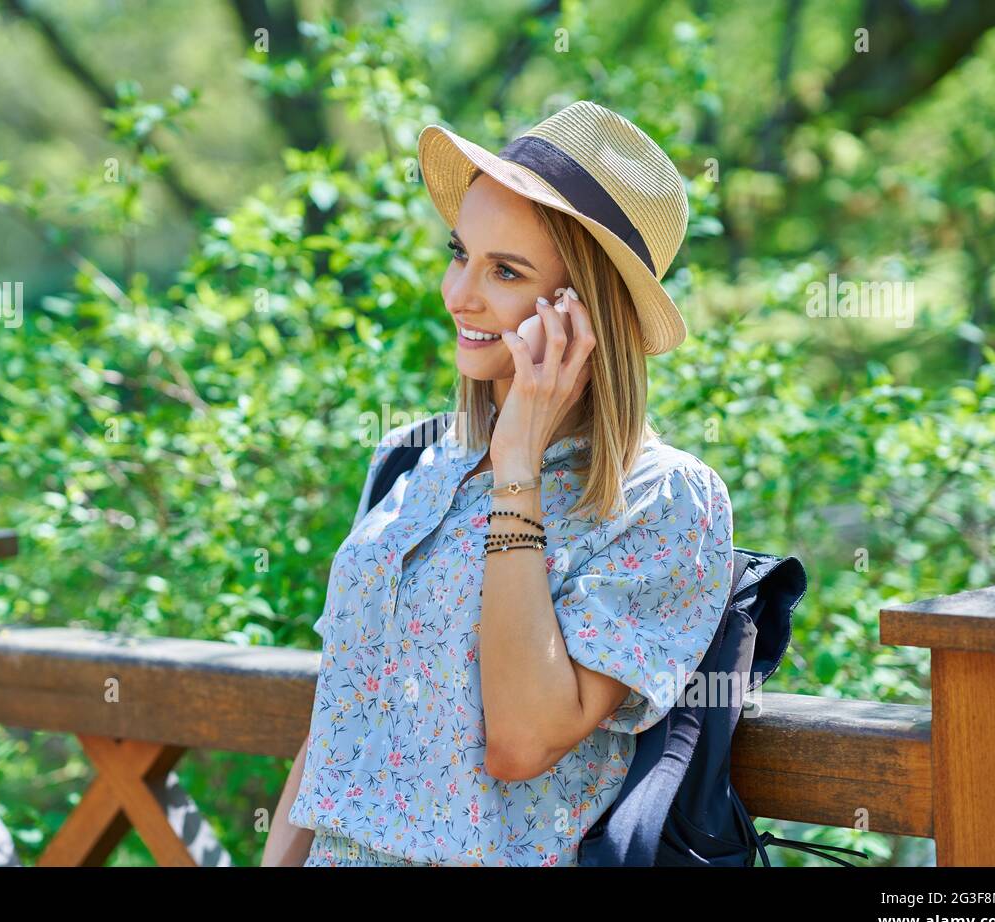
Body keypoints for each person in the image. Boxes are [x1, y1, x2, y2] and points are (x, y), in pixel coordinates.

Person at [262, 100, 733, 866]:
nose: (459, 295)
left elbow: (520, 742)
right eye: (460, 253)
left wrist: (518, 468)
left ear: (590, 310)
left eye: (505, 271)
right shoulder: (412, 460)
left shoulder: (663, 498)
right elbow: (338, 718)